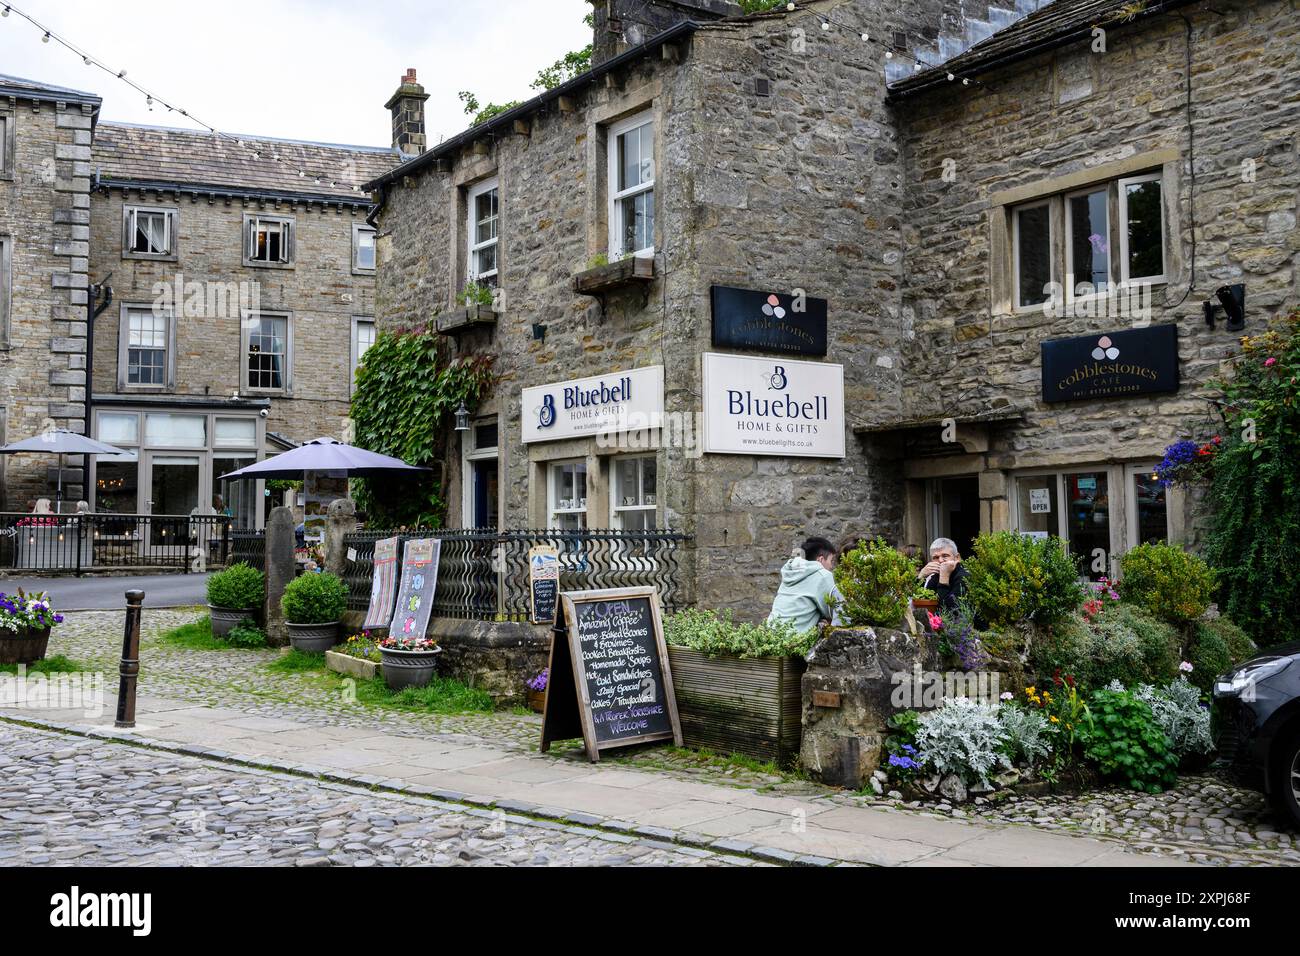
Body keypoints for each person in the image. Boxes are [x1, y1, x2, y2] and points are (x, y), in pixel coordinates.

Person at [768, 536, 842, 634]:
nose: (831, 566)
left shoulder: (791, 571)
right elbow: (834, 613)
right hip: (794, 640)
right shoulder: (823, 576)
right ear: (820, 560)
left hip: (769, 633)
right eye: (831, 561)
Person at [918, 537, 969, 611]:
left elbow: (952, 611)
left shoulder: (964, 577)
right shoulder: (935, 576)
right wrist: (921, 577)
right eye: (936, 557)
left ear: (957, 558)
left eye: (945, 556)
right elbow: (920, 603)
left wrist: (944, 578)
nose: (941, 560)